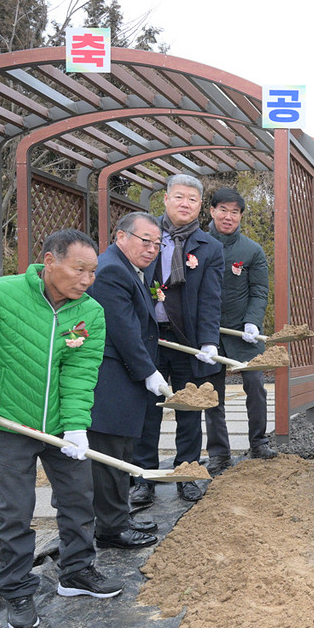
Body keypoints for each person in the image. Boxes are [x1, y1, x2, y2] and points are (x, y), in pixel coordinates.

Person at [0, 229, 124, 628]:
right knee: (15, 507)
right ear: (50, 261)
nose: (87, 279)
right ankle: (17, 588)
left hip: (58, 426)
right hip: (8, 420)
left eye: (93, 272)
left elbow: (80, 373)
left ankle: (76, 572)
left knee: (78, 498)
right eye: (79, 269)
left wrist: (76, 427)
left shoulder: (90, 313)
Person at [130, 174, 224, 507]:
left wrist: (209, 341)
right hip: (148, 339)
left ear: (200, 206)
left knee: (188, 409)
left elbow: (212, 298)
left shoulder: (210, 246)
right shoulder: (144, 235)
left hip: (188, 341)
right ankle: (144, 477)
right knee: (146, 410)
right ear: (166, 199)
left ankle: (187, 472)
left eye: (192, 200)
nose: (185, 204)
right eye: (179, 197)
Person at [86, 212, 166, 549]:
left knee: (121, 452)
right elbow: (123, 329)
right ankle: (110, 528)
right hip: (110, 378)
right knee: (108, 455)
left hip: (123, 378)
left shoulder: (129, 269)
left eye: (157, 244)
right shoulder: (112, 270)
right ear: (121, 237)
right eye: (144, 240)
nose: (151, 249)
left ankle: (118, 518)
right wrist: (149, 371)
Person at [202, 187, 278, 475]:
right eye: (223, 210)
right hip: (209, 333)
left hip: (242, 332)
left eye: (235, 212)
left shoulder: (252, 251)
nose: (228, 216)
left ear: (241, 216)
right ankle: (219, 453)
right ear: (212, 211)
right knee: (212, 393)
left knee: (256, 385)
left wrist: (252, 322)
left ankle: (258, 442)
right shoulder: (199, 244)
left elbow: (259, 291)